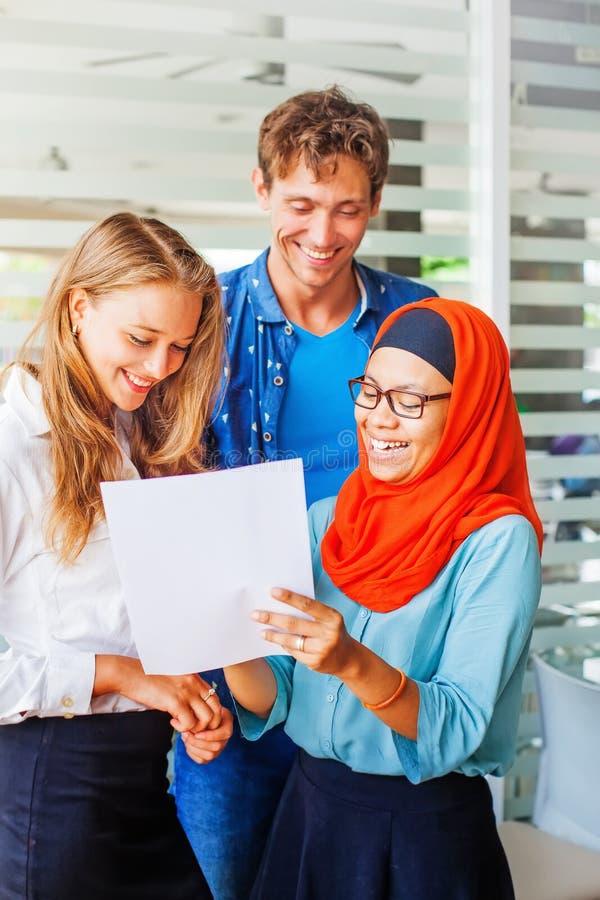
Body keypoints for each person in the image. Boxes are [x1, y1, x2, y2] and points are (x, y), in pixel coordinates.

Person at [172, 84, 437, 899]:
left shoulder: (418, 319)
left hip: (376, 672)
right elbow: (164, 493)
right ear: (261, 189)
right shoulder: (205, 320)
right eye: (301, 203)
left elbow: (452, 480)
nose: (323, 235)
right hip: (239, 673)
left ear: (376, 203)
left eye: (347, 210)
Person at [223, 297, 543, 899]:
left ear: (469, 412)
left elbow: (453, 728)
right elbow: (278, 694)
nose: (378, 418)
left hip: (424, 837)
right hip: (310, 813)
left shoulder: (500, 541)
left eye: (410, 400)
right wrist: (221, 632)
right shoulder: (330, 519)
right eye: (370, 391)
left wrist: (348, 660)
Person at [0, 212, 234, 900]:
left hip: (141, 780)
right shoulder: (14, 446)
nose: (160, 368)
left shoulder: (138, 435)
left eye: (180, 347)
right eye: (141, 338)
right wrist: (122, 675)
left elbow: (117, 613)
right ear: (79, 307)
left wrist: (182, 700)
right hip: (52, 795)